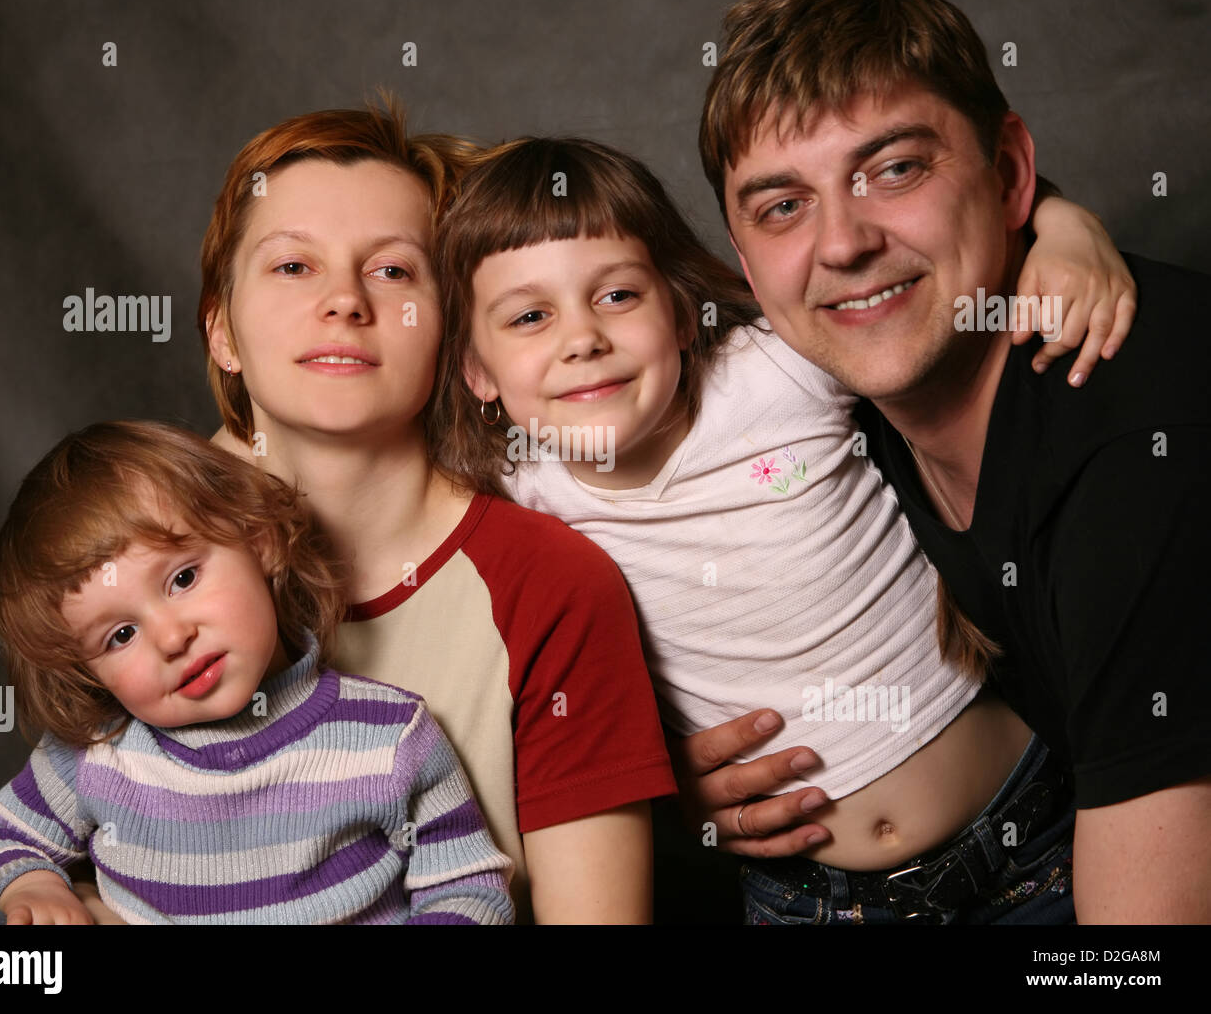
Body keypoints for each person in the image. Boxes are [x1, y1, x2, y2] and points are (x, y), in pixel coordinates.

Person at [430, 134, 1134, 923]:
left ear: (682, 311)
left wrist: (1067, 223)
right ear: (478, 372)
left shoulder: (777, 370)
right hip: (813, 902)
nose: (581, 339)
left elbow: (948, 254)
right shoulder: (518, 494)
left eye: (618, 296)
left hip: (1029, 837)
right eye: (529, 316)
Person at [700, 0, 1211, 923]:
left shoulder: (1140, 449)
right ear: (743, 263)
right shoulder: (830, 399)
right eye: (782, 205)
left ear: (1009, 171)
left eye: (894, 169)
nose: (842, 244)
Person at [198, 107, 677, 924]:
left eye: (392, 272)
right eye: (292, 268)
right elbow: (67, 838)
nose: (344, 300)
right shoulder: (146, 543)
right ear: (222, 332)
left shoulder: (550, 583)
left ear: (456, 336)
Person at [0, 420, 514, 925]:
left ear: (259, 541)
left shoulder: (390, 737)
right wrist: (34, 884)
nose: (172, 638)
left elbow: (468, 888)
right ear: (87, 671)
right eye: (120, 636)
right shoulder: (99, 753)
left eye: (183, 579)